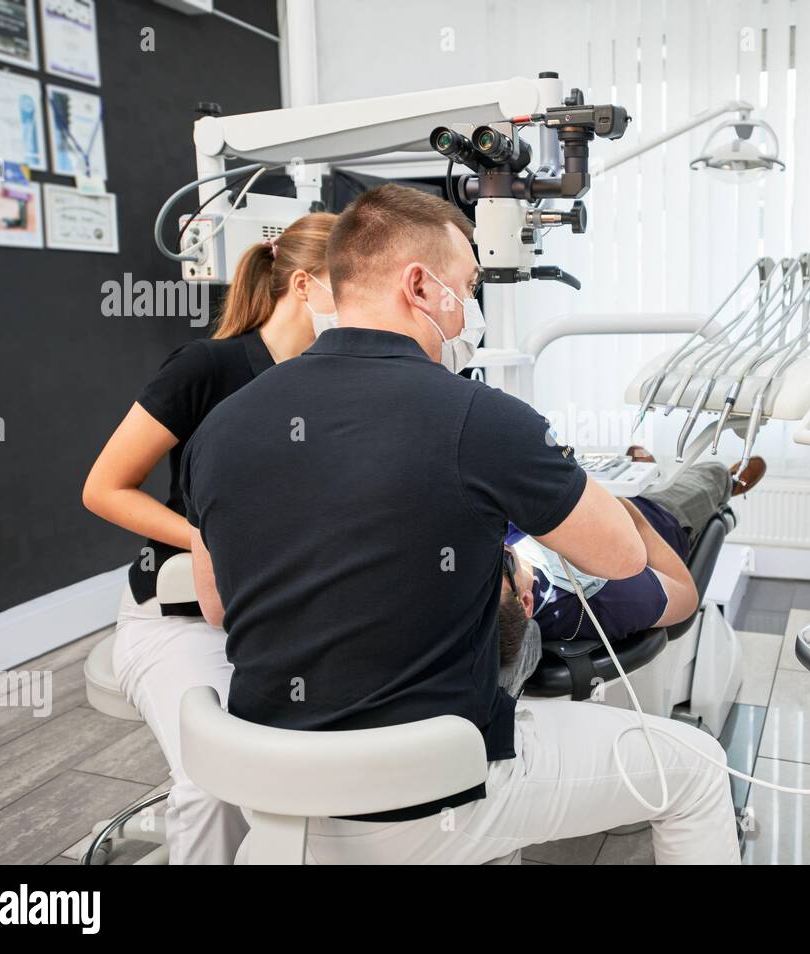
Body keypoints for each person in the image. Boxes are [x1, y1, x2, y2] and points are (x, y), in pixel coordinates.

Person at [181, 184, 740, 864]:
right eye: (469, 284)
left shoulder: (220, 425)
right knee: (699, 769)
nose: (472, 307)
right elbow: (622, 557)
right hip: (423, 799)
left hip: (270, 786)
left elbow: (216, 605)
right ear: (420, 285)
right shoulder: (478, 417)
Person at [81, 212, 337, 864]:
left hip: (283, 615)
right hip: (180, 618)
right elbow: (105, 487)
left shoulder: (335, 384)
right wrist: (202, 536)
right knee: (216, 779)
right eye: (353, 285)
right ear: (304, 284)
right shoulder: (207, 367)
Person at [500, 454, 766, 659]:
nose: (495, 554)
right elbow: (687, 597)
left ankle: (646, 468)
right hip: (659, 518)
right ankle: (730, 484)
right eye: (504, 564)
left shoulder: (495, 565)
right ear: (526, 603)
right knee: (709, 474)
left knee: (633, 470)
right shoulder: (605, 595)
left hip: (608, 506)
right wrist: (626, 509)